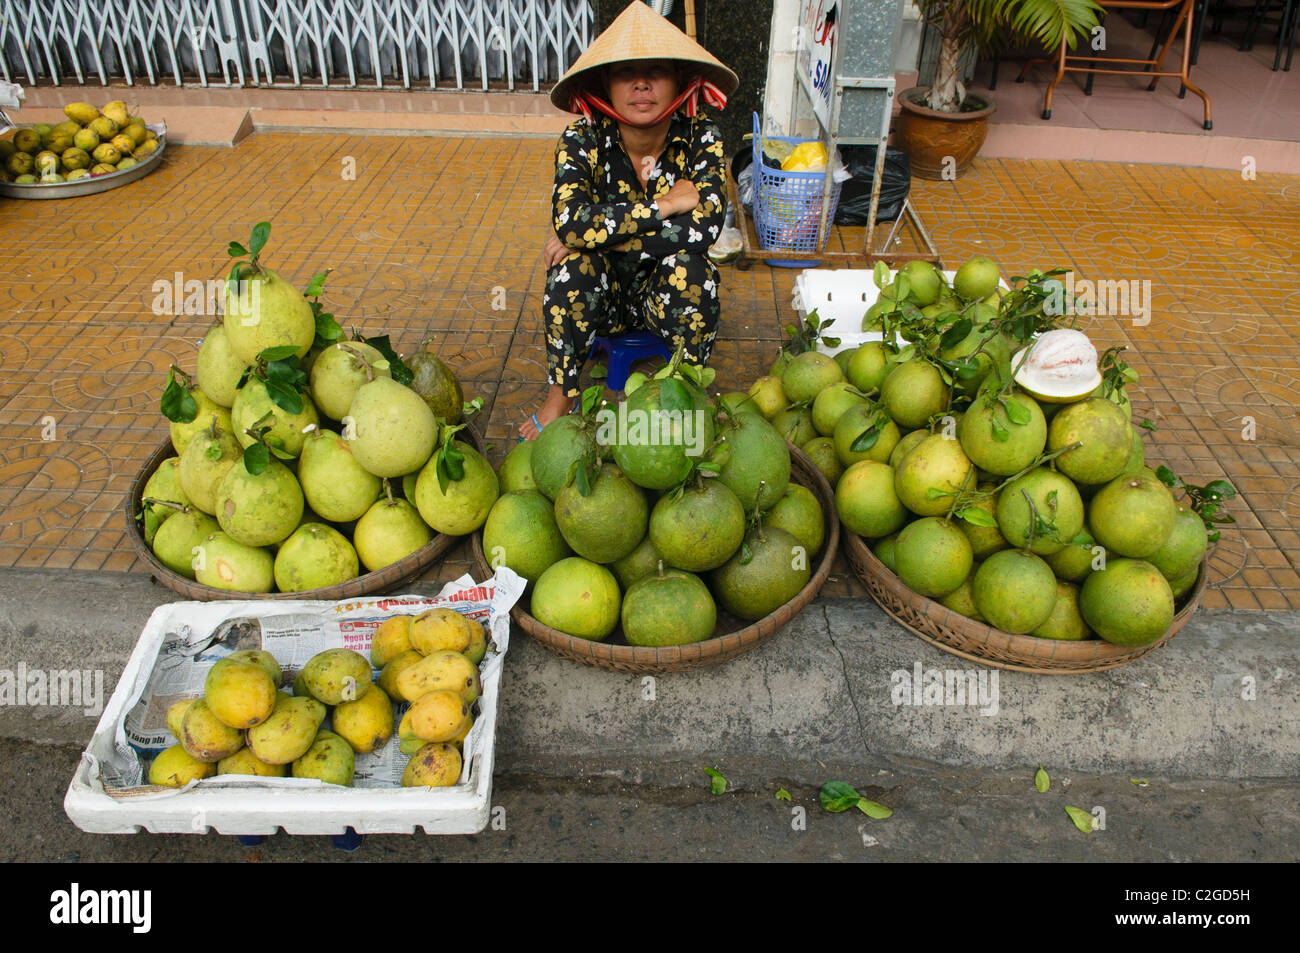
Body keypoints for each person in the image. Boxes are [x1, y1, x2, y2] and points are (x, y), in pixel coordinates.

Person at [519, 0, 738, 439]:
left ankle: (690, 390)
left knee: (694, 268)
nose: (641, 83)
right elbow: (570, 222)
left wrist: (594, 233)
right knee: (571, 269)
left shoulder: (703, 138)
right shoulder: (583, 138)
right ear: (606, 84)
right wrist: (664, 207)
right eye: (626, 73)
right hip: (604, 297)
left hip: (665, 296)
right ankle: (562, 393)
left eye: (656, 70)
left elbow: (703, 230)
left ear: (679, 81)